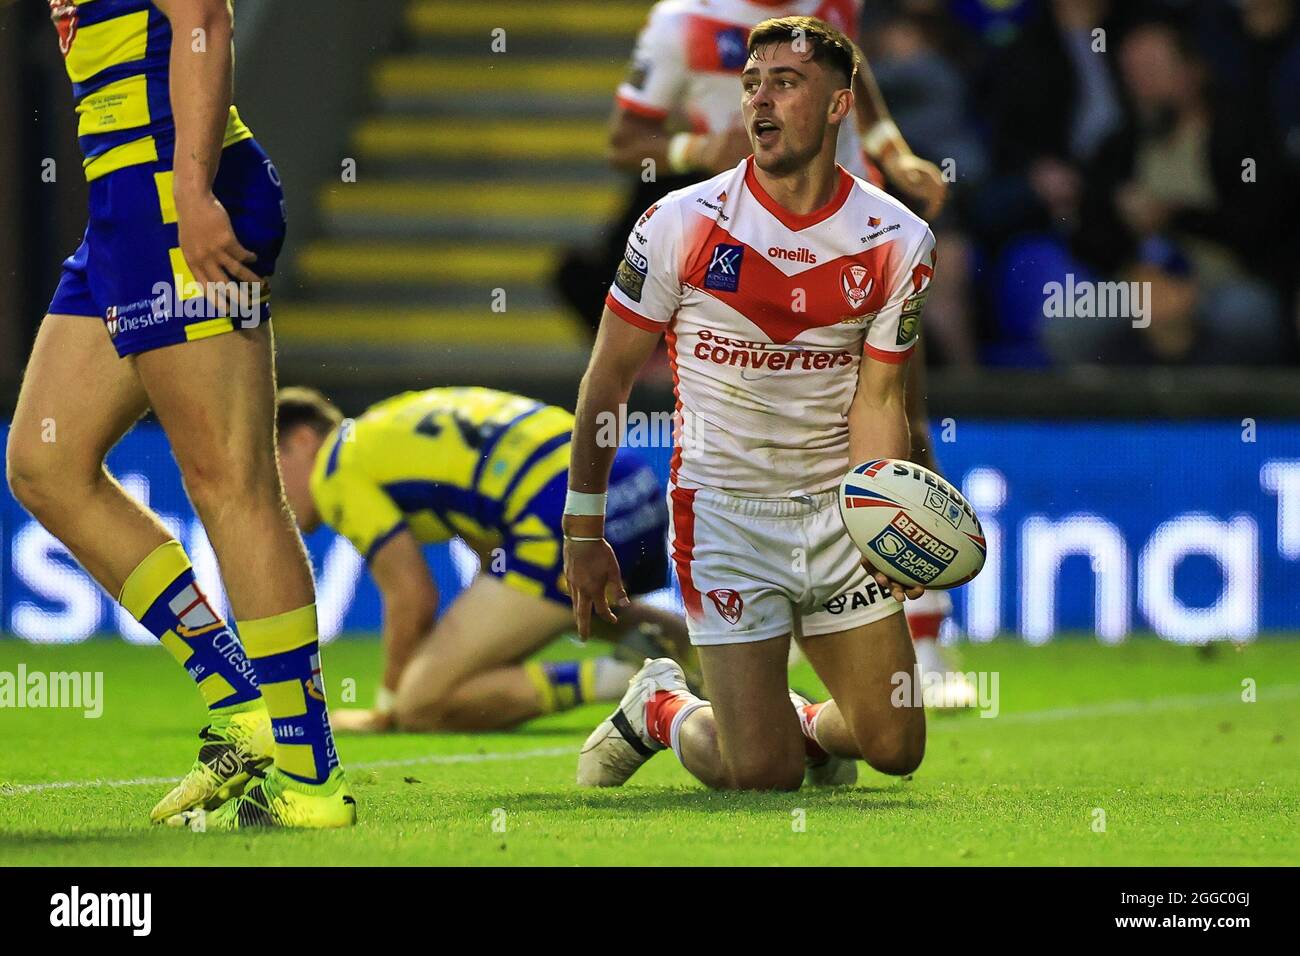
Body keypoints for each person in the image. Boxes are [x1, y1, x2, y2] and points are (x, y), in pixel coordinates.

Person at [566, 17, 938, 791]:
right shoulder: (679, 222)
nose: (759, 102)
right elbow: (607, 381)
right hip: (726, 515)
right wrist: (583, 529)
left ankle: (796, 721)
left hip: (836, 510)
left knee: (895, 747)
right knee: (762, 776)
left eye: (785, 83)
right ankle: (663, 707)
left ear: (840, 107)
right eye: (751, 84)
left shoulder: (897, 238)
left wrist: (881, 519)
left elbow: (878, 397)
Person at [7, 0, 353, 828]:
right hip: (121, 208)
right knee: (44, 465)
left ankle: (311, 778)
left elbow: (203, 16)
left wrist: (192, 192)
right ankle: (241, 697)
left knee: (229, 480)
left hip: (170, 185)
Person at [275, 387, 697, 733]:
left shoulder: (334, 470)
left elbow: (411, 596)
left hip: (562, 511)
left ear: (303, 441)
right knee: (562, 605)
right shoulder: (385, 425)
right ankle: (707, 655)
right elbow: (489, 548)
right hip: (628, 483)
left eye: (271, 465)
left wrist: (386, 705)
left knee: (420, 704)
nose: (271, 489)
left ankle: (632, 680)